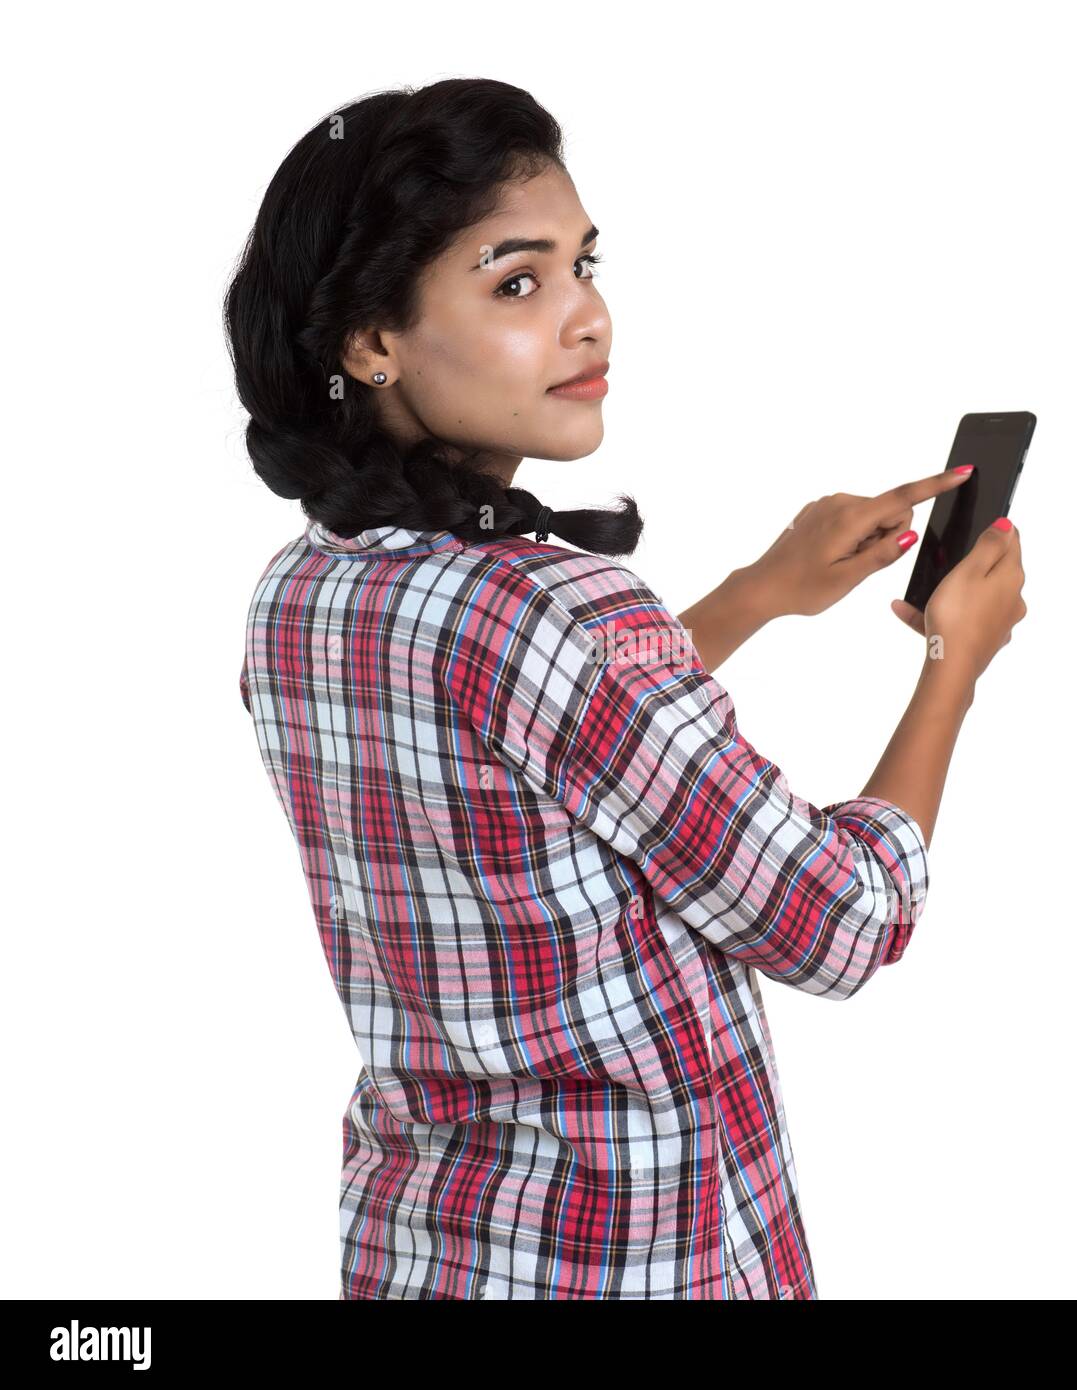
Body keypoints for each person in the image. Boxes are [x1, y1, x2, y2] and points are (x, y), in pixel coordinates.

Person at [226, 78, 1027, 1300]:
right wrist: (948, 660)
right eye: (515, 282)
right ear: (369, 341)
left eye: (583, 264)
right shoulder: (560, 614)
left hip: (422, 1251)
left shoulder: (300, 594)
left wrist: (755, 592)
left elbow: (538, 755)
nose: (586, 316)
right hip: (633, 1259)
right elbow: (841, 920)